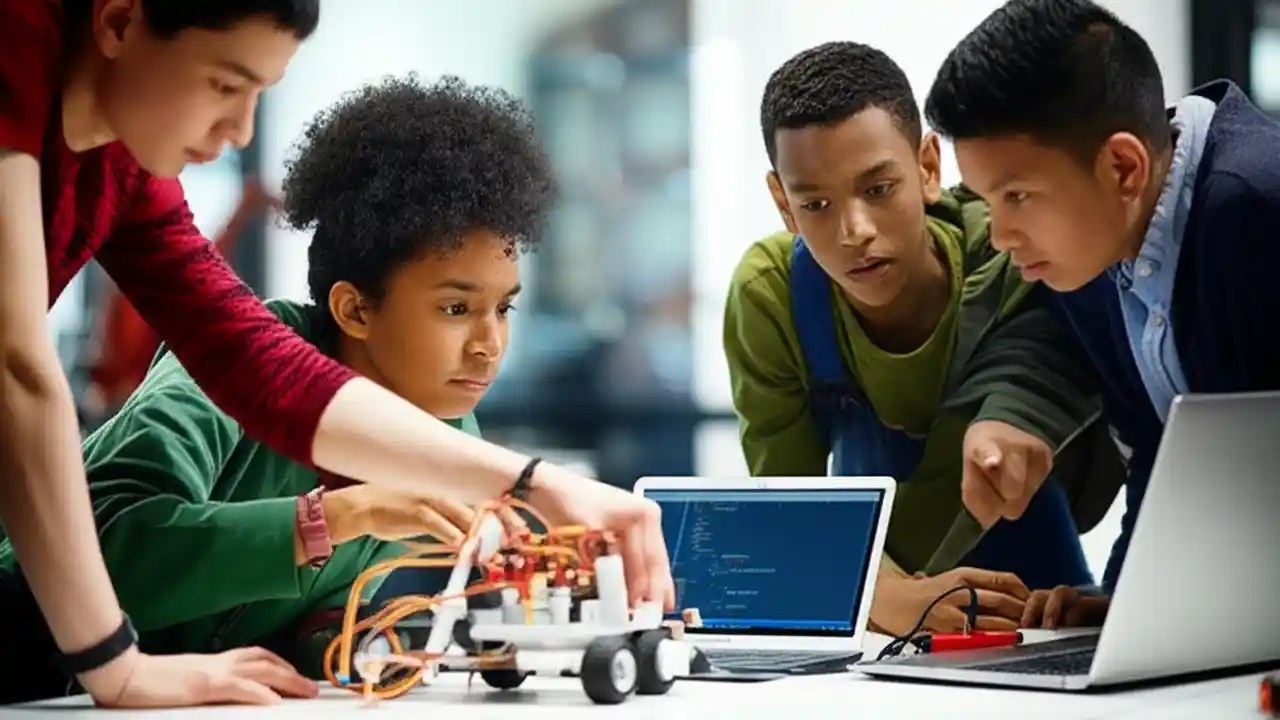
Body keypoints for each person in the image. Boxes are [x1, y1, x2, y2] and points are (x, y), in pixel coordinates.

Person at [0, 0, 670, 708]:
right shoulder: (21, 37)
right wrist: (334, 520)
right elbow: (25, 372)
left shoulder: (126, 173)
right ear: (118, 21)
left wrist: (375, 645)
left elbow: (252, 364)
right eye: (226, 85)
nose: (239, 130)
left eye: (505, 308)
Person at [723, 41, 1124, 635]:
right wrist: (887, 600)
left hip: (1035, 609)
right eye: (815, 203)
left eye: (879, 189)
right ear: (783, 201)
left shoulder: (1018, 255)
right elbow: (792, 506)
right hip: (879, 615)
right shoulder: (773, 295)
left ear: (929, 167)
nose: (854, 231)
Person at [924, 0, 1280, 628]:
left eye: (1019, 197)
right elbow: (1161, 452)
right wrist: (1131, 602)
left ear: (1122, 167)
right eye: (985, 200)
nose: (1001, 235)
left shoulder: (1255, 209)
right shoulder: (1090, 254)